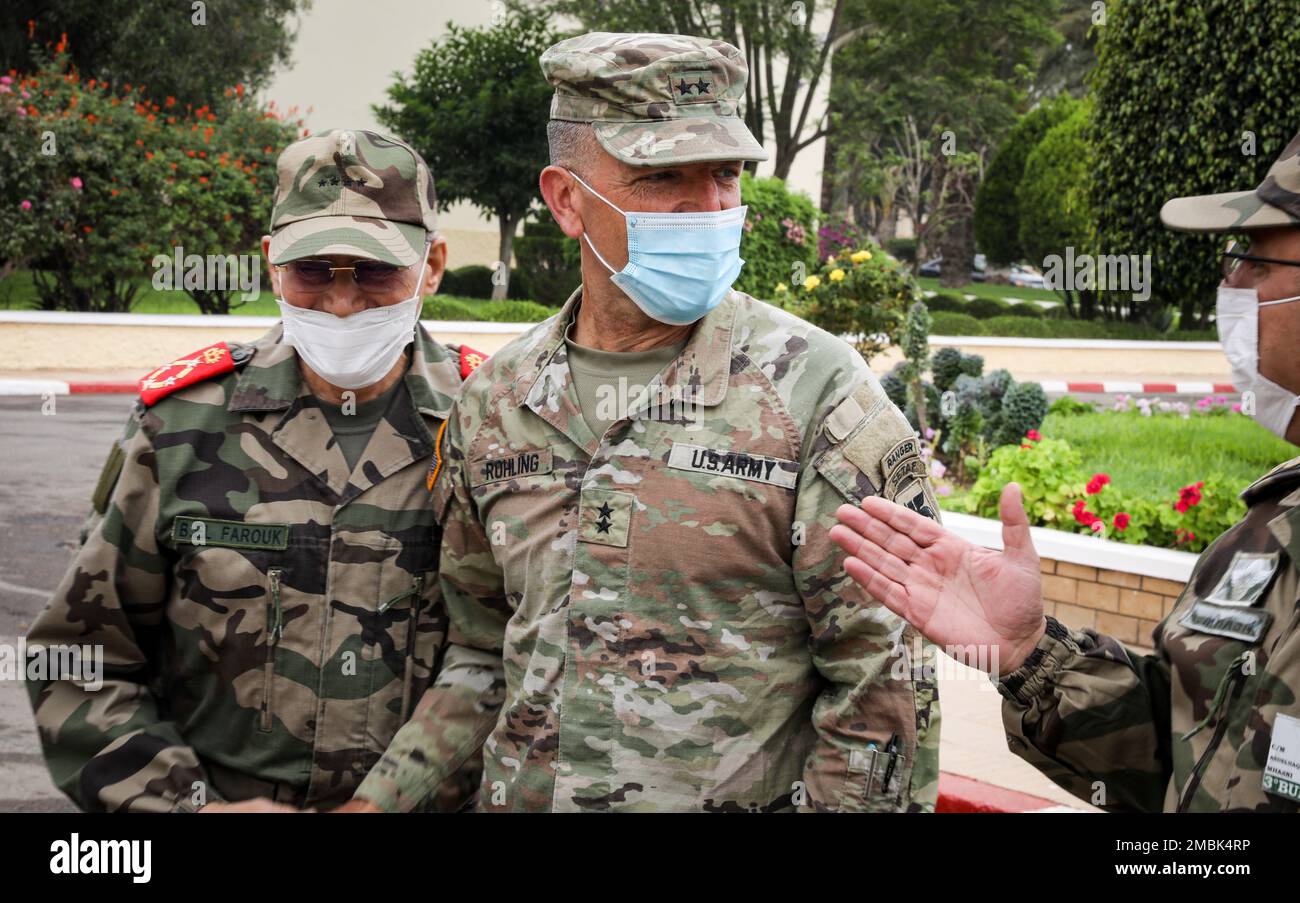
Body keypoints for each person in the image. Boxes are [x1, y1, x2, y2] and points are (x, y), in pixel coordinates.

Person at [343, 32, 942, 814]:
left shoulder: (821, 397)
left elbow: (884, 696)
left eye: (725, 174)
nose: (710, 211)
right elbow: (484, 651)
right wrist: (380, 802)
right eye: (663, 178)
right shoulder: (495, 403)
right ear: (565, 199)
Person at [829, 130, 1300, 812]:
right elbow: (1179, 756)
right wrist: (1030, 658)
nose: (1231, 287)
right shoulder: (1270, 530)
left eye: (1253, 260)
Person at [25, 129, 483, 812]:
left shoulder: (492, 428)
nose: (341, 301)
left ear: (434, 265)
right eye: (312, 271)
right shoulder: (179, 427)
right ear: (271, 264)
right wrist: (190, 807)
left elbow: (515, 657)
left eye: (376, 271)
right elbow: (81, 659)